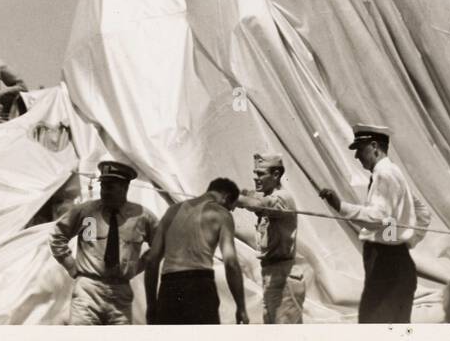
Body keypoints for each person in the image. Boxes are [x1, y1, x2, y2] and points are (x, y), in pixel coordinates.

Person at [319, 123, 431, 323]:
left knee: (375, 330)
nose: (356, 157)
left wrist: (340, 206)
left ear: (374, 147)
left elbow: (379, 217)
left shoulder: (384, 174)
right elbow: (422, 213)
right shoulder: (394, 172)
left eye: (359, 150)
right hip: (396, 263)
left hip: (386, 266)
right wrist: (401, 241)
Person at [49, 160, 157, 325]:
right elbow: (58, 235)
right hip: (88, 291)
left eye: (110, 186)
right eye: (103, 185)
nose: (104, 191)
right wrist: (71, 265)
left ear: (124, 187)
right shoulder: (86, 212)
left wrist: (138, 266)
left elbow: (159, 245)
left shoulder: (141, 217)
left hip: (121, 295)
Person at [145, 178, 248, 325]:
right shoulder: (221, 214)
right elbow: (231, 263)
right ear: (225, 197)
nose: (229, 210)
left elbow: (151, 260)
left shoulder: (172, 211)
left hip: (169, 287)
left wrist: (151, 305)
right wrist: (241, 307)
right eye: (230, 207)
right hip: (200, 286)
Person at [237, 152, 305, 323]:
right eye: (255, 173)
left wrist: (232, 197)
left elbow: (258, 204)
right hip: (271, 275)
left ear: (276, 175)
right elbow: (254, 198)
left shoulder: (283, 198)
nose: (256, 178)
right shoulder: (268, 196)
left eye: (260, 173)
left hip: (284, 278)